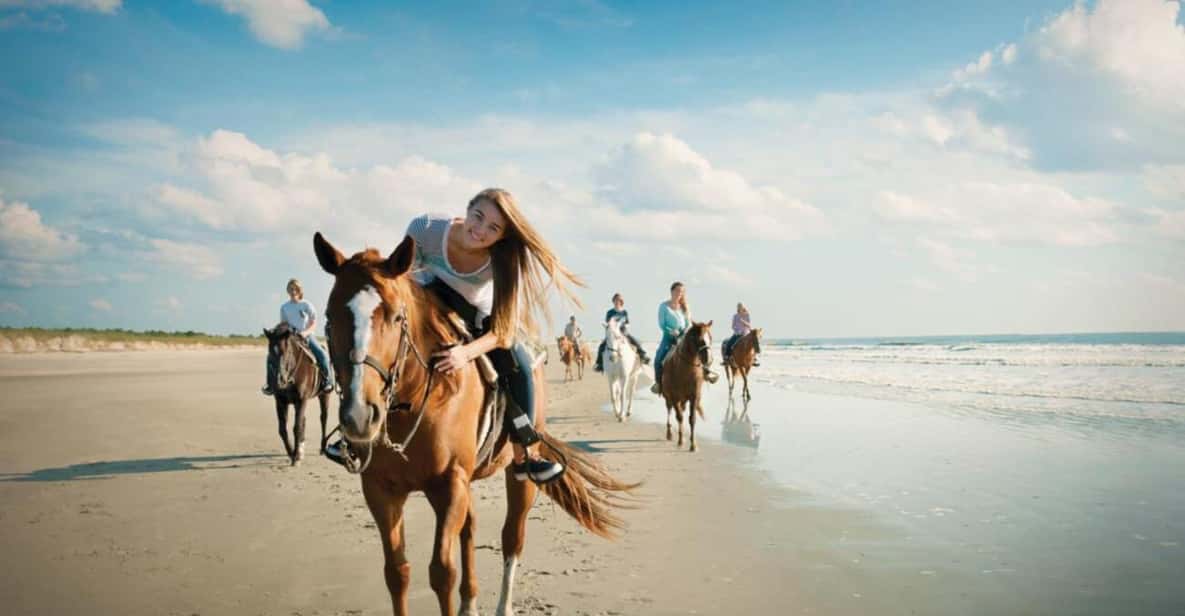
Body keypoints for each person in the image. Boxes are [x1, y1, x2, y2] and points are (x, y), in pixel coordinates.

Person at [401, 188, 581, 483]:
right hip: (426, 303)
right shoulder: (425, 228)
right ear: (468, 208)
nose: (480, 230)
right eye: (478, 217)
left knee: (521, 365)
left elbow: (504, 330)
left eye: (493, 228)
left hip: (476, 316)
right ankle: (355, 436)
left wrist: (464, 353)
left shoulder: (504, 258)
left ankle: (527, 452)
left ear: (502, 237)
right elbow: (401, 279)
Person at [262, 278, 335, 395]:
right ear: (288, 291)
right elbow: (284, 324)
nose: (293, 291)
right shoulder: (284, 307)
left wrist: (305, 333)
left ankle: (328, 381)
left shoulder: (306, 305)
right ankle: (270, 384)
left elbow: (313, 322)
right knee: (271, 357)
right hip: (291, 337)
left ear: (299, 290)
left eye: (295, 288)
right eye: (290, 289)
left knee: (323, 355)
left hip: (307, 336)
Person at [650, 281, 717, 394]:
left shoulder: (685, 307)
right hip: (668, 338)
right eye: (677, 291)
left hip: (683, 337)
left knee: (701, 350)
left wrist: (684, 333)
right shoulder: (664, 306)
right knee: (658, 359)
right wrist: (672, 331)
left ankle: (707, 373)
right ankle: (658, 383)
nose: (679, 293)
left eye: (681, 292)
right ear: (672, 291)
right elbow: (662, 324)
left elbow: (688, 324)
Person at [593, 293, 650, 372]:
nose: (617, 302)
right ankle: (599, 364)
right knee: (601, 346)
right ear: (613, 301)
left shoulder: (624, 312)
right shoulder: (610, 312)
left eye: (618, 300)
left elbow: (627, 323)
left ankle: (643, 356)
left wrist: (626, 326)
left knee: (635, 342)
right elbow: (608, 324)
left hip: (623, 332)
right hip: (613, 333)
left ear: (621, 302)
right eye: (615, 300)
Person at [723, 302, 760, 367]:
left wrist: (744, 322)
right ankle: (727, 358)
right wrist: (737, 330)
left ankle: (755, 358)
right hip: (737, 333)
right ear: (737, 308)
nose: (739, 308)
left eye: (741, 307)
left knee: (755, 341)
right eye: (738, 307)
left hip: (746, 333)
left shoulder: (747, 315)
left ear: (743, 307)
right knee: (729, 343)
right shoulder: (735, 316)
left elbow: (749, 325)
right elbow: (733, 326)